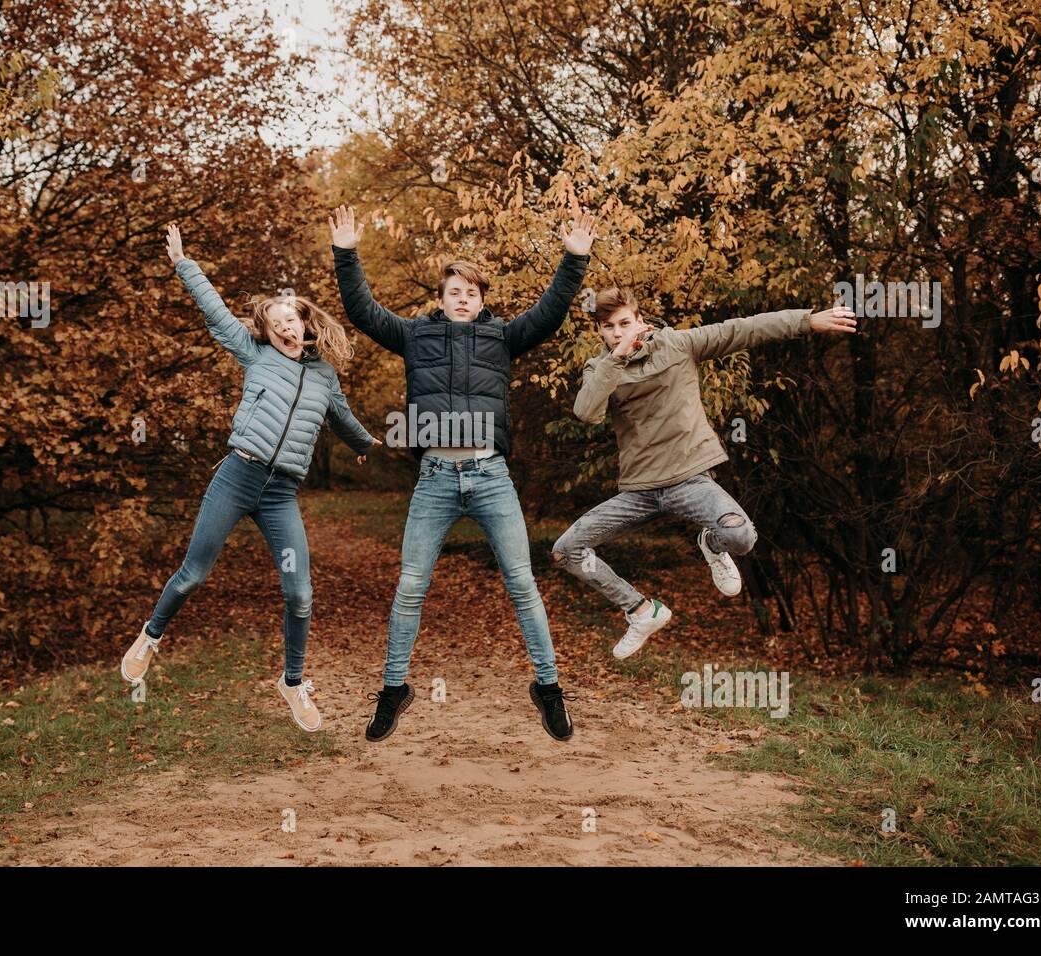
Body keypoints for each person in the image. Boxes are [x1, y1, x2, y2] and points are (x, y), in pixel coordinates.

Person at [328, 203, 598, 742]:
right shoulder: (413, 336)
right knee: (410, 586)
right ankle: (393, 689)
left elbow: (548, 313)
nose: (463, 298)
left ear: (481, 300)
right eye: (455, 291)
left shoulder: (502, 338)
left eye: (472, 293)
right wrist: (346, 253)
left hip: (491, 476)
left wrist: (573, 260)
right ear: (442, 297)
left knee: (522, 583)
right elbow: (362, 311)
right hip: (434, 479)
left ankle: (548, 688)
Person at [120, 223, 381, 733]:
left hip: (280, 494)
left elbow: (342, 417)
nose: (284, 326)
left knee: (300, 593)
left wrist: (369, 444)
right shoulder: (254, 354)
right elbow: (215, 312)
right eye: (275, 321)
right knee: (194, 573)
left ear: (305, 322)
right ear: (266, 330)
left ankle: (291, 682)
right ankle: (150, 636)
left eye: (291, 318)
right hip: (238, 476)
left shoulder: (325, 375)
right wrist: (183, 264)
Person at [553, 288, 857, 659]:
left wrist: (806, 319)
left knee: (741, 536)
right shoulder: (600, 368)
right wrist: (615, 359)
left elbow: (742, 329)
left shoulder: (679, 344)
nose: (618, 333)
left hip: (689, 480)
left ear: (640, 320)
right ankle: (641, 611)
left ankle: (711, 545)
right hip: (639, 490)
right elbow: (586, 411)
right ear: (600, 331)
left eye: (624, 324)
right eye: (608, 327)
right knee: (566, 550)